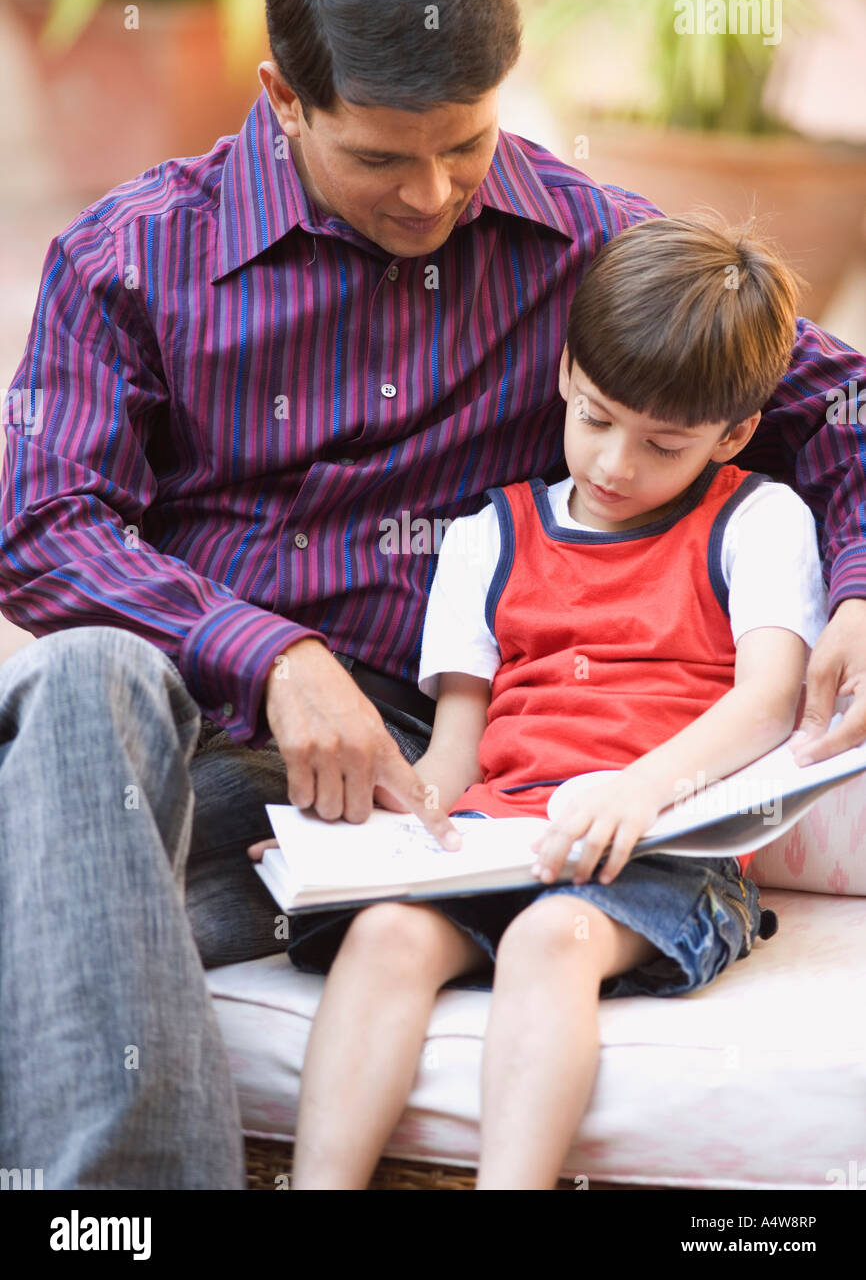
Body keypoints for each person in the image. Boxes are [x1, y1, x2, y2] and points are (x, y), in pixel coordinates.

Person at [0, 0, 863, 1189]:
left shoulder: (573, 239)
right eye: (381, 158)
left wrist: (856, 589)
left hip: (422, 763)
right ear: (282, 98)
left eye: (462, 144)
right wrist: (272, 653)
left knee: (57, 926)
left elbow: (835, 402)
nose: (434, 193)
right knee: (76, 679)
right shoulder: (130, 256)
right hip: (195, 722)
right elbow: (41, 520)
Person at [282, 215, 829, 1190]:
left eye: (662, 444)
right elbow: (454, 752)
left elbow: (767, 700)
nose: (616, 464)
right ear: (566, 375)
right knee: (384, 932)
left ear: (734, 431)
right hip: (504, 836)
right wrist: (369, 830)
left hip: (662, 853)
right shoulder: (486, 537)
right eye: (594, 418)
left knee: (551, 934)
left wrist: (638, 791)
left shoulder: (755, 518)